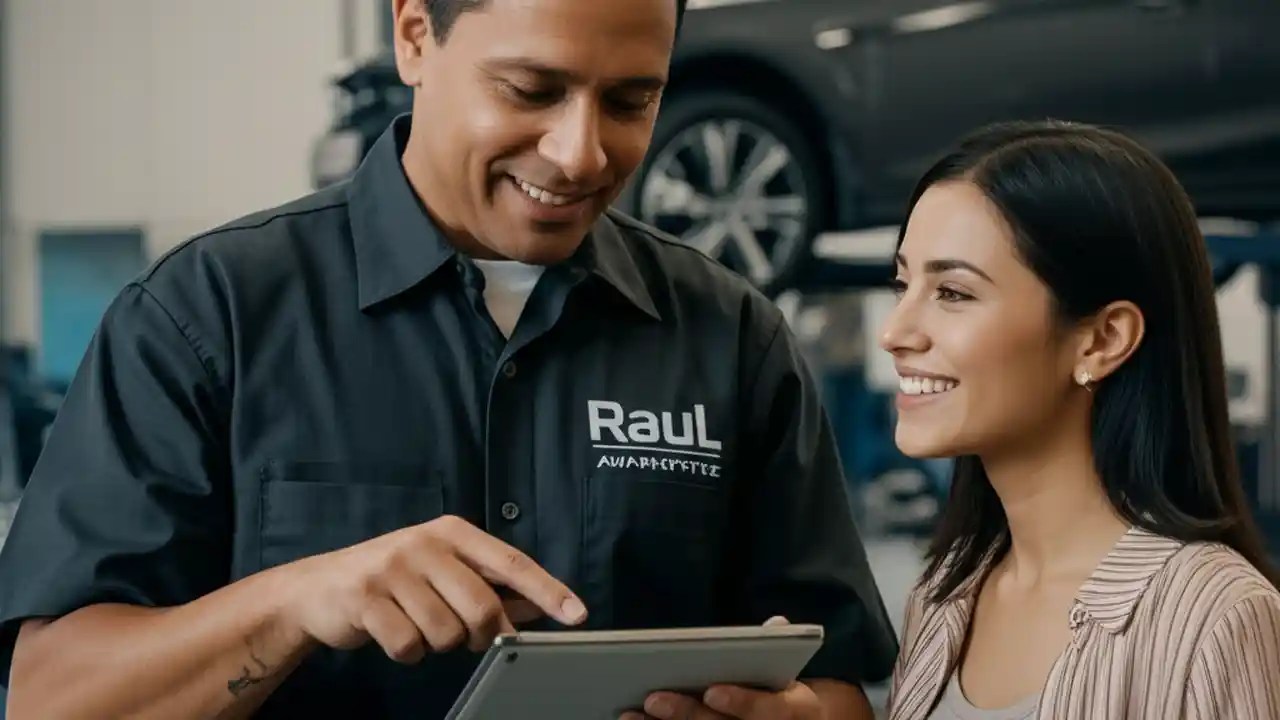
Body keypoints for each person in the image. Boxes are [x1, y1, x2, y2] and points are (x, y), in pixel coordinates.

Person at [0, 1, 899, 718]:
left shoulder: (732, 338)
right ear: (415, 35)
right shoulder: (206, 318)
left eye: (630, 101)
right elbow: (54, 700)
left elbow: (838, 684)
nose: (580, 151)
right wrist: (297, 604)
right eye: (529, 89)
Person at [880, 120, 1280, 720]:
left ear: (1102, 339)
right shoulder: (941, 599)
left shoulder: (1217, 617)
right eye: (903, 283)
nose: (894, 333)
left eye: (953, 293)